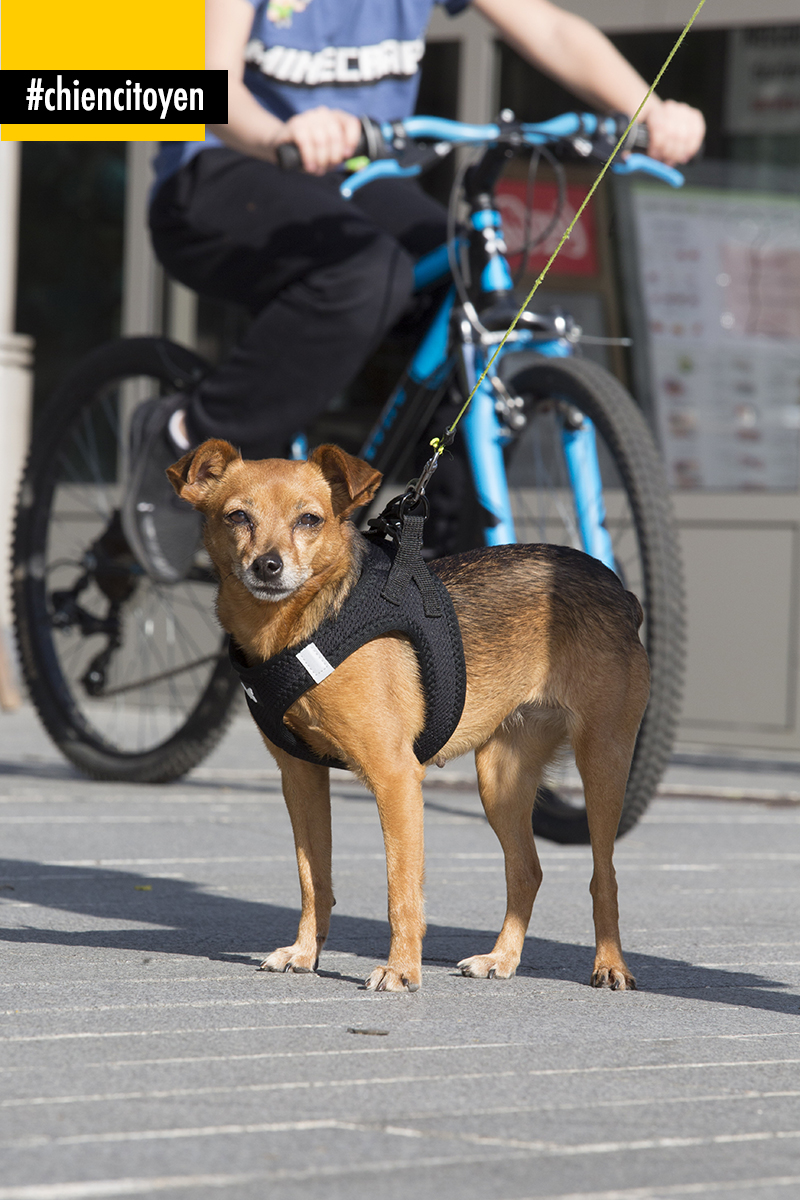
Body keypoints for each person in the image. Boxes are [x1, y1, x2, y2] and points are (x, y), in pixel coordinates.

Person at [123, 0, 705, 583]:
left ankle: (432, 551)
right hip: (226, 166)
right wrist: (278, 133)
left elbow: (551, 28)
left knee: (467, 282)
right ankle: (185, 434)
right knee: (367, 274)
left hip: (359, 176)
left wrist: (650, 110)